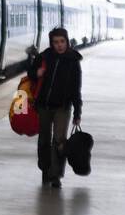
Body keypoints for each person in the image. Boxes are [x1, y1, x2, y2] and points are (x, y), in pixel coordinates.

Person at [26, 27, 83, 188]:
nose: (59, 45)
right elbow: (30, 73)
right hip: (43, 106)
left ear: (67, 41)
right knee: (44, 139)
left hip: (63, 108)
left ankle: (55, 174)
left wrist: (77, 112)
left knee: (59, 140)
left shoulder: (73, 61)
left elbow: (76, 89)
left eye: (62, 41)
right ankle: (45, 168)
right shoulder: (44, 57)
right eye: (56, 42)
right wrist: (36, 73)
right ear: (51, 43)